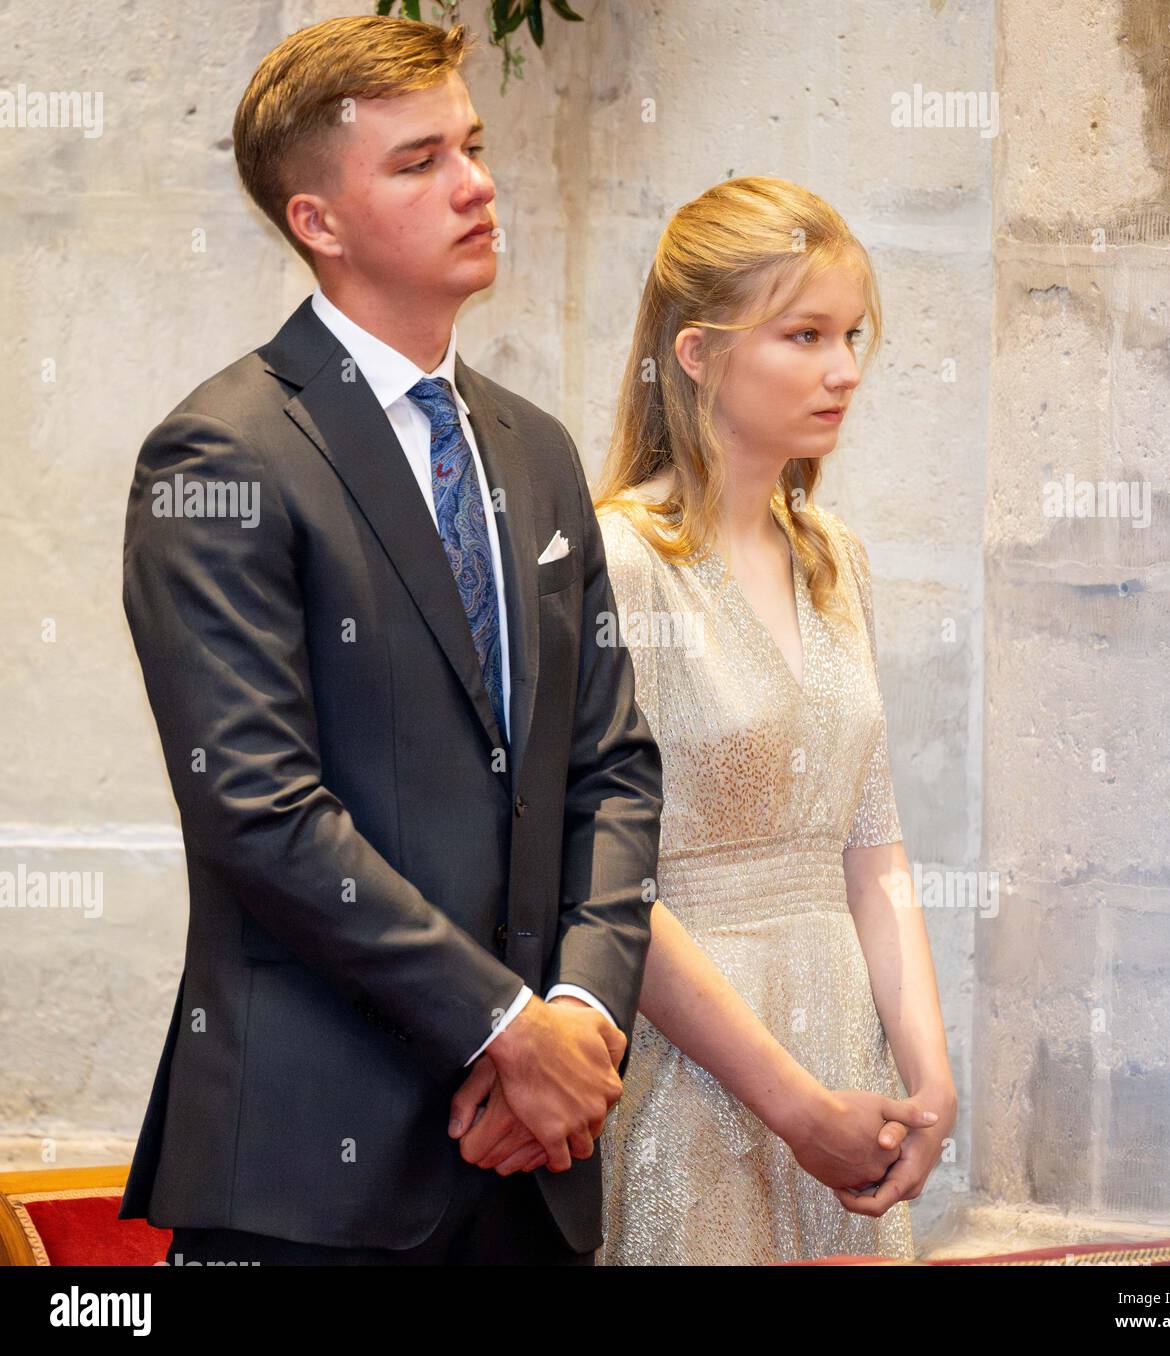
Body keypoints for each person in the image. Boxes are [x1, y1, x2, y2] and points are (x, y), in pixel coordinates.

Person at [118, 14, 661, 1266]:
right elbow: (256, 807)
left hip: (536, 1159)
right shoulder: (225, 455)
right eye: (418, 163)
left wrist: (577, 1017)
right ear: (319, 221)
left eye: (470, 146)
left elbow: (613, 764)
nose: (475, 184)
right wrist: (504, 1028)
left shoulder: (535, 447)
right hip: (315, 1169)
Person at [591, 177, 957, 1264]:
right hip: (689, 1061)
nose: (843, 368)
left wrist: (928, 1075)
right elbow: (606, 884)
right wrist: (790, 1105)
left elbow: (872, 845)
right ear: (697, 354)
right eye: (804, 335)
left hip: (845, 1047)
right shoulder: (621, 559)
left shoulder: (834, 559)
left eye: (851, 335)